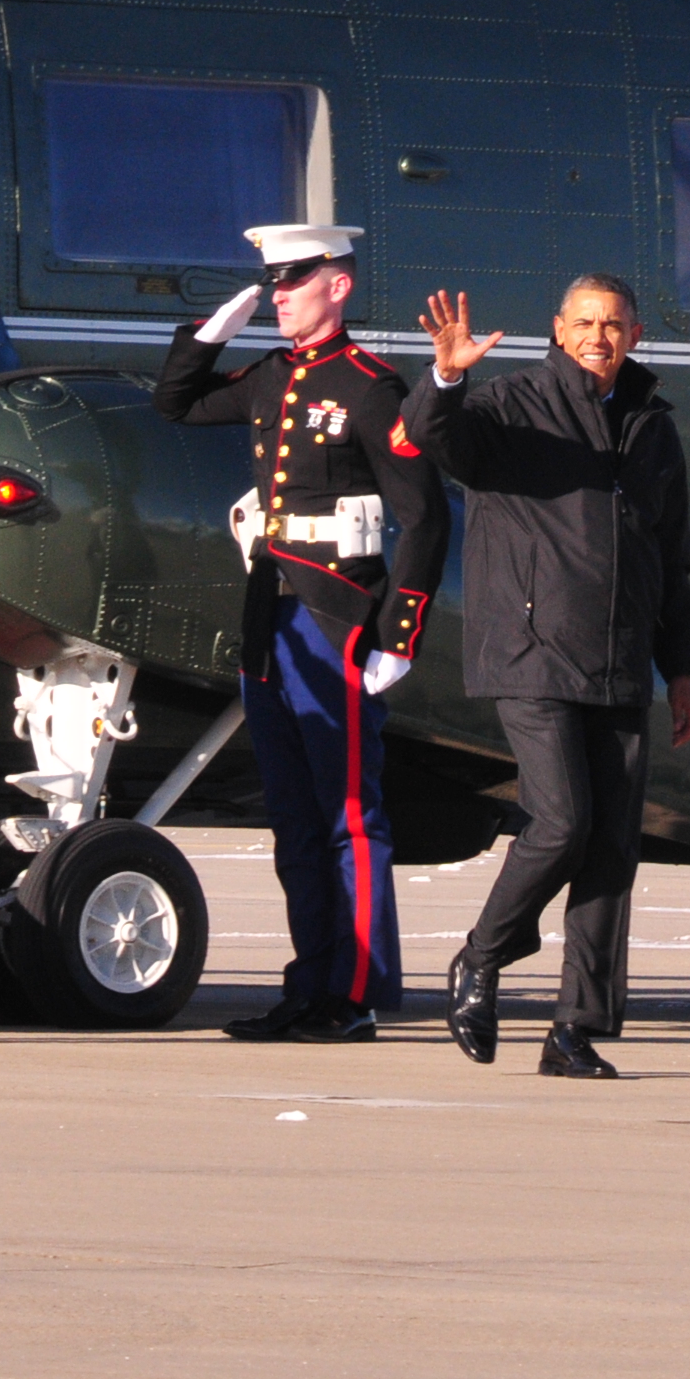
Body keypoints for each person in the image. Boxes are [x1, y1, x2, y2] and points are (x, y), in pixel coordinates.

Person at [156, 224, 446, 1043]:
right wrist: (208, 335)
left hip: (335, 616)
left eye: (294, 280)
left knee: (348, 813)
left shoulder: (370, 387)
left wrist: (399, 631)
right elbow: (174, 404)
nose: (279, 294)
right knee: (291, 814)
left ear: (338, 285)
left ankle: (350, 996)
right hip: (270, 614)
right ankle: (308, 985)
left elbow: (424, 516)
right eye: (273, 283)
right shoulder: (271, 375)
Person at [409, 275, 690, 1080]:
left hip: (621, 659)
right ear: (558, 329)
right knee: (561, 822)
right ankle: (481, 955)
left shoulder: (652, 429)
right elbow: (439, 439)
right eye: (583, 323)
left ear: (635, 336)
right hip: (532, 650)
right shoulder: (512, 405)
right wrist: (447, 377)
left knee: (612, 847)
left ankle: (576, 1030)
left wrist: (680, 669)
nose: (597, 337)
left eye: (612, 325)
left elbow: (671, 559)